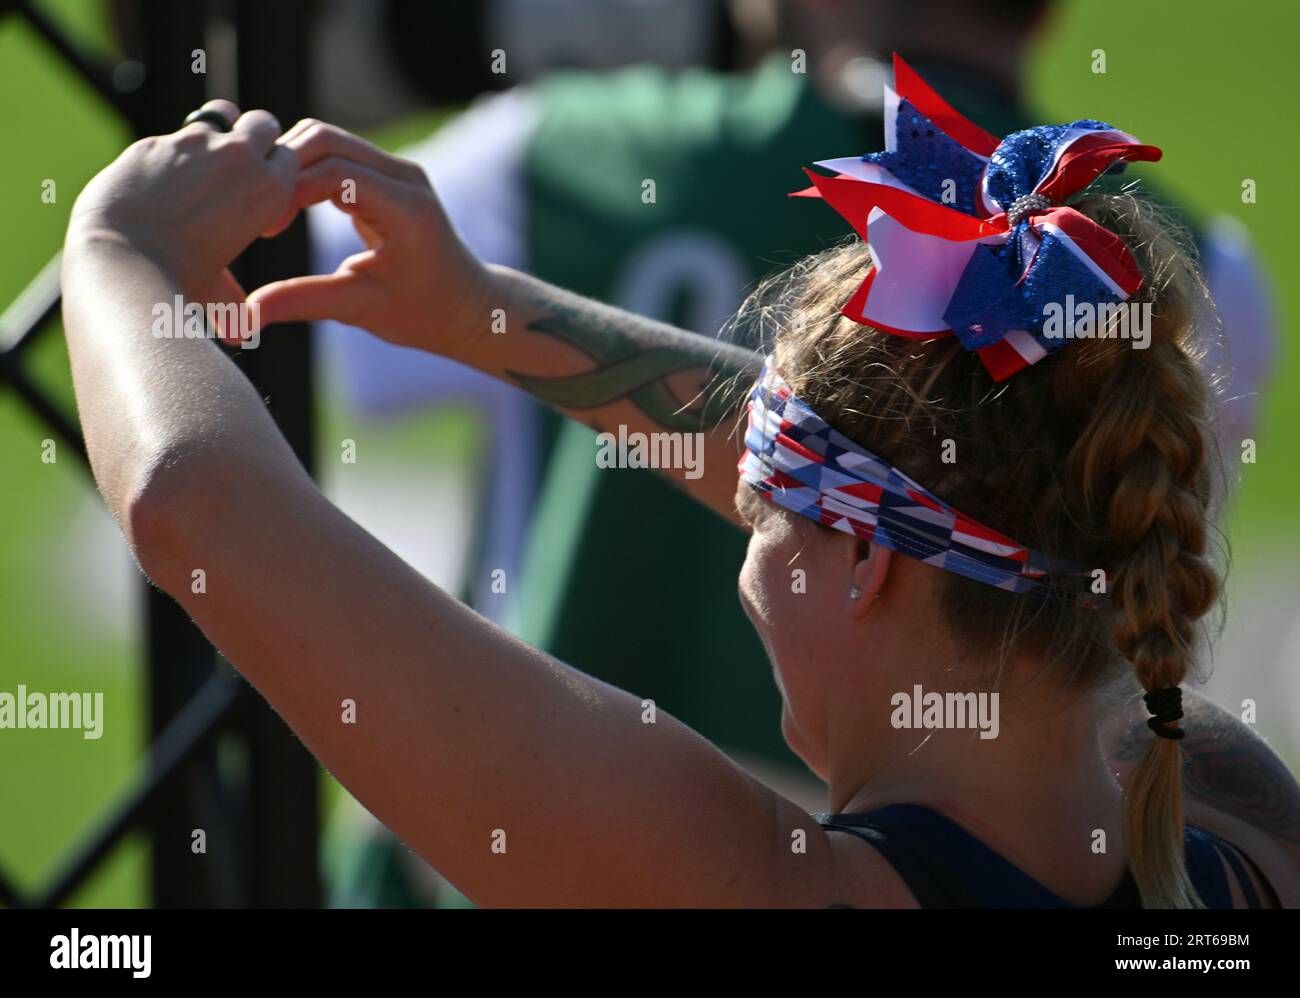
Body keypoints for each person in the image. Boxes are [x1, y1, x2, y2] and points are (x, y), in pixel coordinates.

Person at [61, 75, 1298, 906]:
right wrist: (483, 312)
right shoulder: (1238, 828)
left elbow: (197, 504)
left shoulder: (751, 880)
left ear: (869, 562)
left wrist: (115, 249)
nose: (743, 532)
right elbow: (896, 479)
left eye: (765, 511)